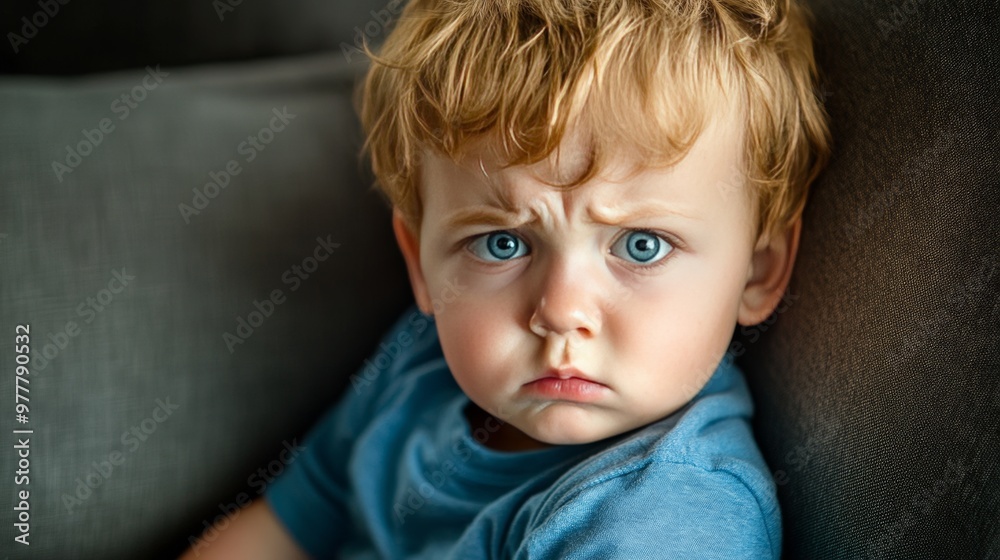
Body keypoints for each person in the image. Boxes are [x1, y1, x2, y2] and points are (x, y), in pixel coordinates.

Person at [181, 0, 830, 557]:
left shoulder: (664, 519)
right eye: (503, 243)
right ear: (422, 264)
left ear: (758, 269)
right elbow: (286, 527)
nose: (560, 312)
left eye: (641, 245)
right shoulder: (419, 364)